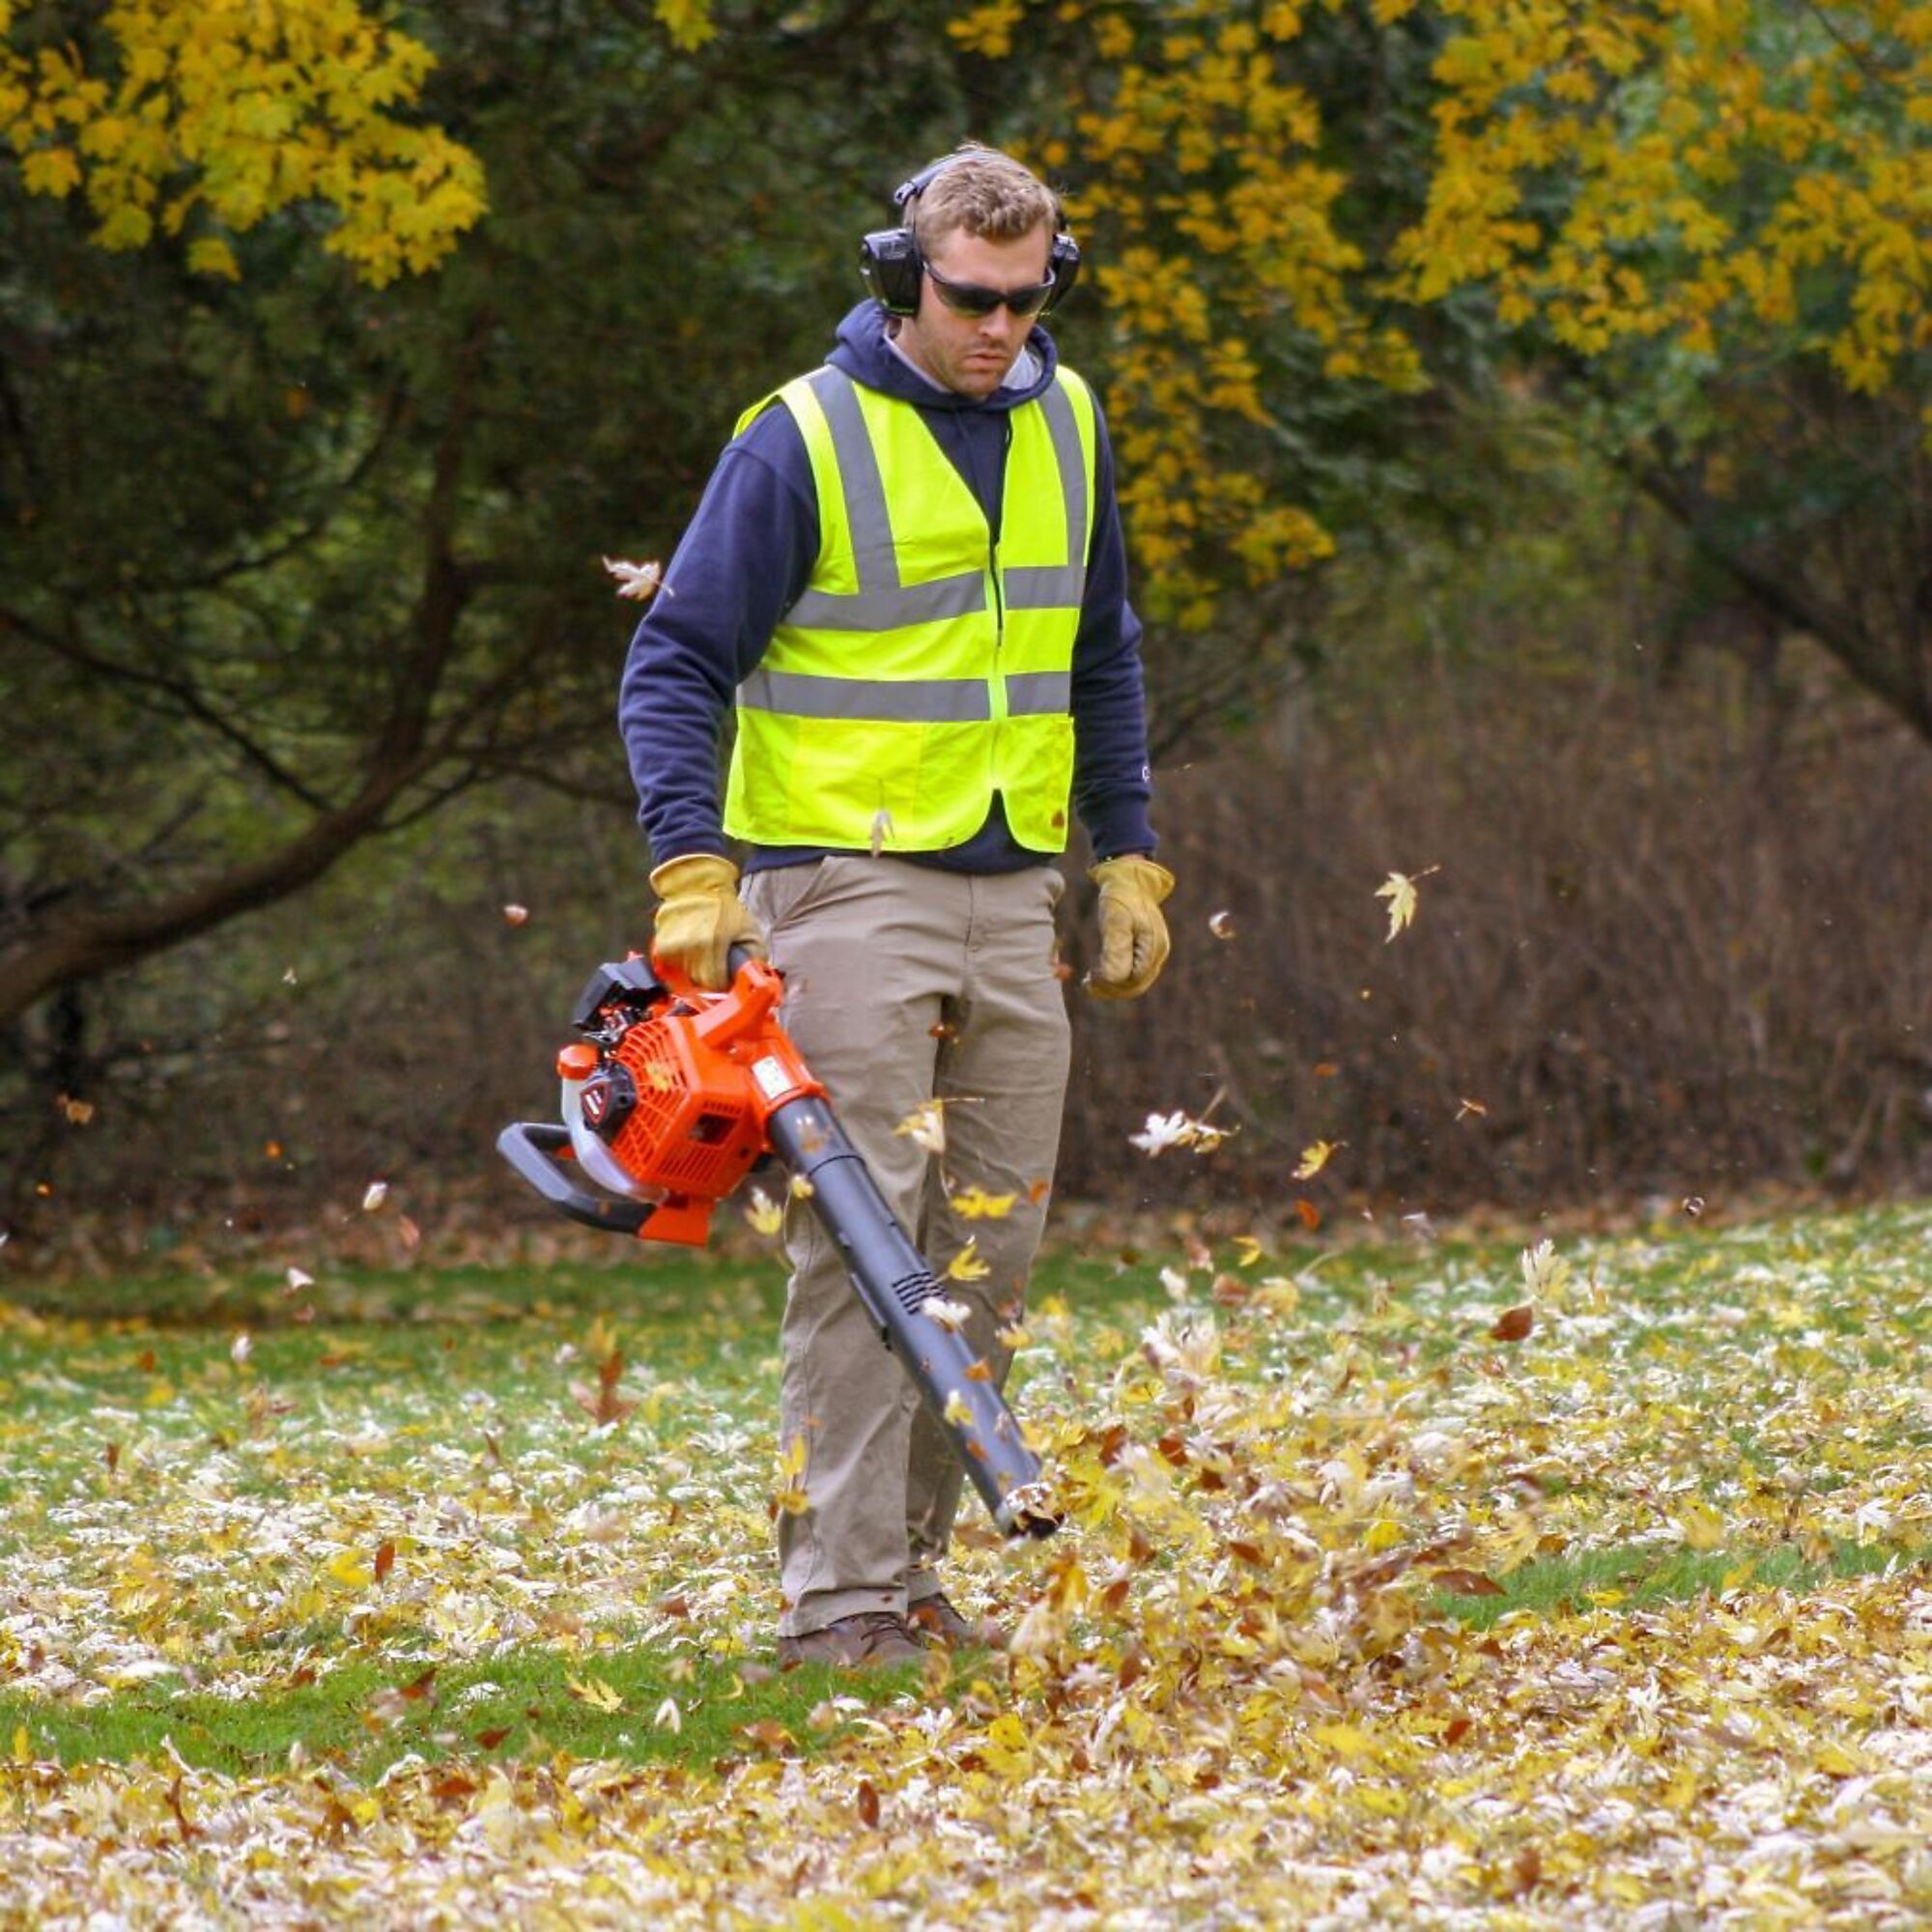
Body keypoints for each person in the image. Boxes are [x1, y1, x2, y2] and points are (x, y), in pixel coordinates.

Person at [618, 143, 1173, 1670]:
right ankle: (838, 1601)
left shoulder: (1069, 418)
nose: (999, 326)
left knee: (990, 1249)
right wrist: (695, 865)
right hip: (842, 883)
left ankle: (915, 1581)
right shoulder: (802, 439)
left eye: (1027, 294)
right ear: (901, 277)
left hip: (1017, 887)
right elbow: (674, 662)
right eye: (969, 297)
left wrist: (1126, 850)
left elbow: (1099, 651)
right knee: (873, 1248)